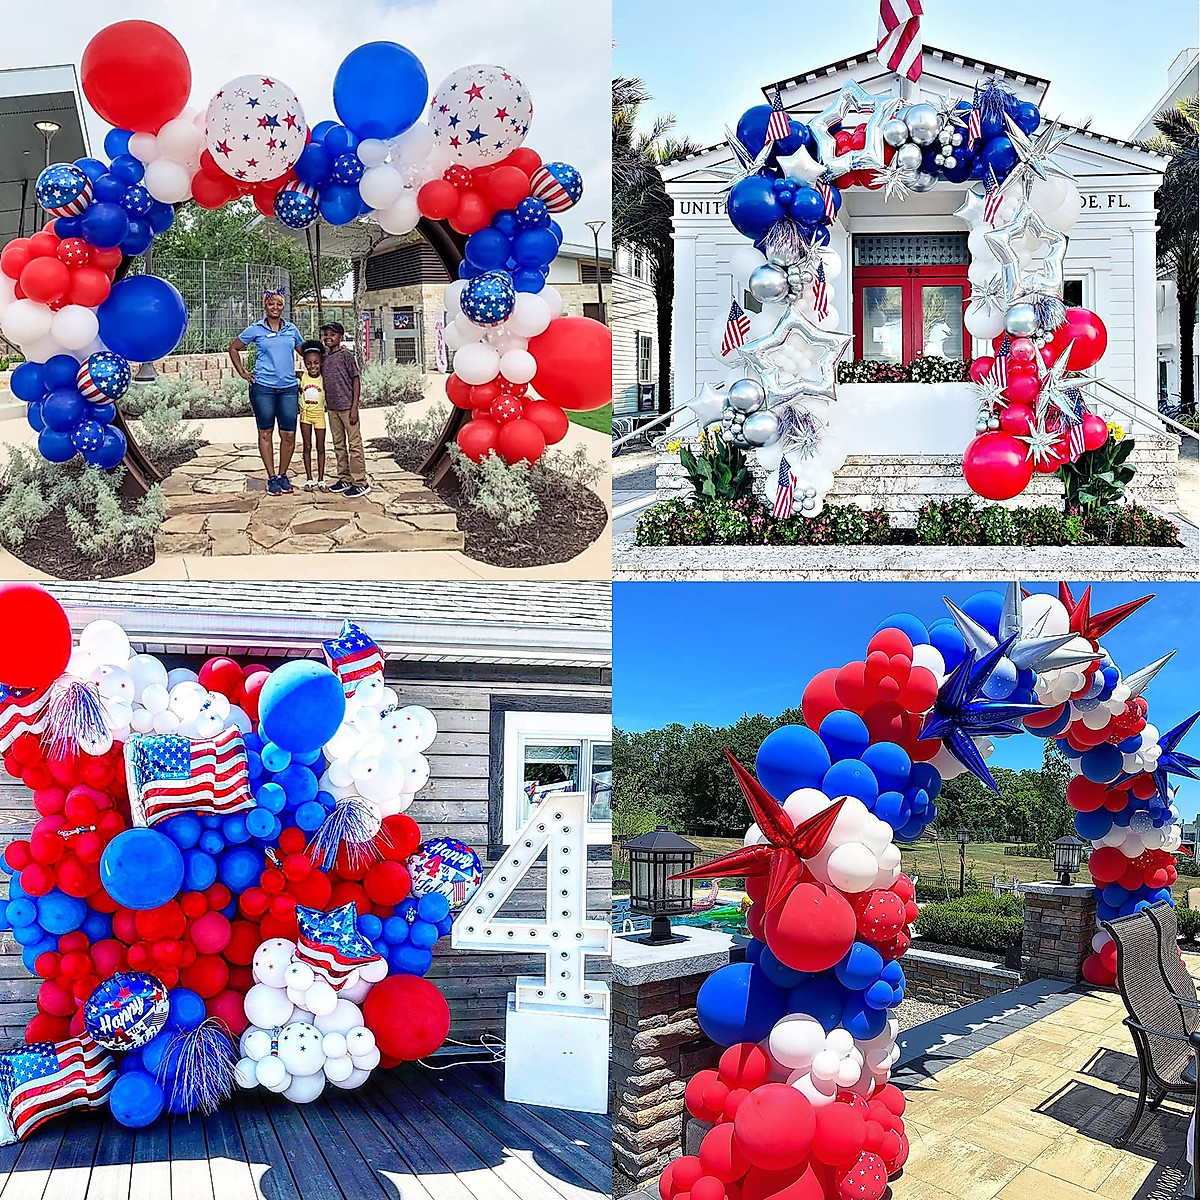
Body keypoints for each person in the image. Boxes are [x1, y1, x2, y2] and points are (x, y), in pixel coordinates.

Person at [228, 287, 305, 495]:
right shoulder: (256, 329)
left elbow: (306, 352)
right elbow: (233, 347)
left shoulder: (291, 329)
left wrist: (309, 370)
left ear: (283, 306)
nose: (275, 307)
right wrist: (244, 373)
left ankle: (283, 475)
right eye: (271, 304)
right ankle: (271, 477)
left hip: (288, 388)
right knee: (266, 432)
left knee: (288, 434)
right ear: (265, 305)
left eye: (279, 304)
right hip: (263, 388)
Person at [319, 321, 369, 498]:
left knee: (354, 445)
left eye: (332, 334)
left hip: (348, 408)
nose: (328, 337)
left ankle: (360, 481)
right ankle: (344, 478)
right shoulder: (324, 358)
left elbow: (355, 379)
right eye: (325, 334)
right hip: (332, 409)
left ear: (340, 337)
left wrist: (354, 407)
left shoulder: (346, 355)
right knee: (339, 445)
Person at [298, 340, 328, 490]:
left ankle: (321, 479)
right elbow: (284, 373)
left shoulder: (324, 377)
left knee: (320, 447)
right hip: (305, 416)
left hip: (319, 416)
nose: (313, 366)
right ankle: (309, 478)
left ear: (321, 362)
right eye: (309, 363)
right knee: (307, 446)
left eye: (316, 363)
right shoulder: (302, 376)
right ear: (304, 363)